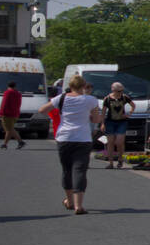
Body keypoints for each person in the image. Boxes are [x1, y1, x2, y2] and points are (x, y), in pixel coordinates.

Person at [41, 75, 103, 215]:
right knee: (80, 170)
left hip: (64, 138)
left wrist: (61, 114)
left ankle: (69, 201)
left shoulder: (61, 98)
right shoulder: (90, 100)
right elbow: (96, 119)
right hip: (83, 138)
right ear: (83, 86)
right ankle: (78, 205)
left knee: (67, 170)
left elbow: (42, 110)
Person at [0, 80, 24, 149]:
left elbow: (4, 103)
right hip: (15, 114)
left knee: (9, 129)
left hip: (7, 114)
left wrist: (1, 112)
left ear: (8, 86)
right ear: (15, 86)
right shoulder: (18, 94)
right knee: (10, 129)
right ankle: (8, 144)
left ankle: (18, 142)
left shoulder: (7, 92)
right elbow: (19, 104)